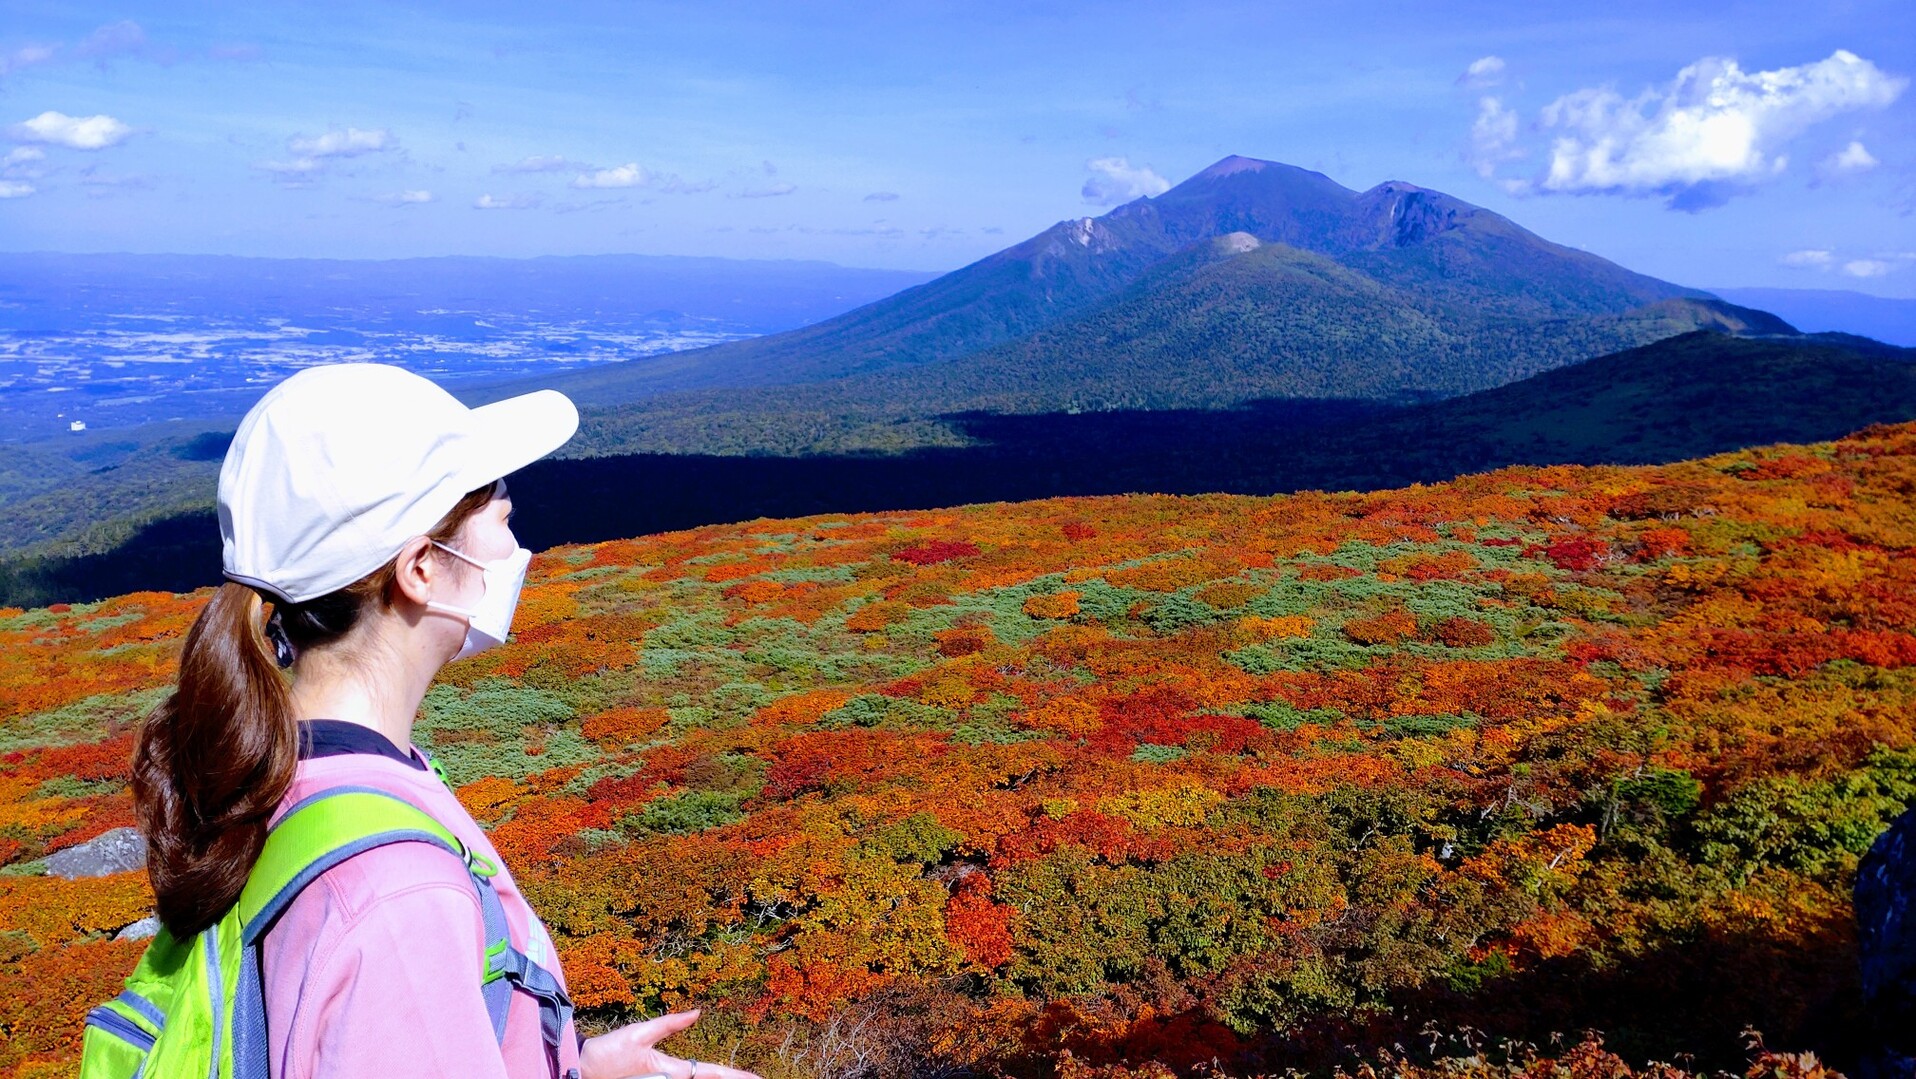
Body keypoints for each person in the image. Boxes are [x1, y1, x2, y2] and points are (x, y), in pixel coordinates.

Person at [130, 363, 762, 1079]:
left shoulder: (282, 772)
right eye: (502, 516)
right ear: (422, 567)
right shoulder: (397, 894)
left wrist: (573, 1069)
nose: (515, 547)